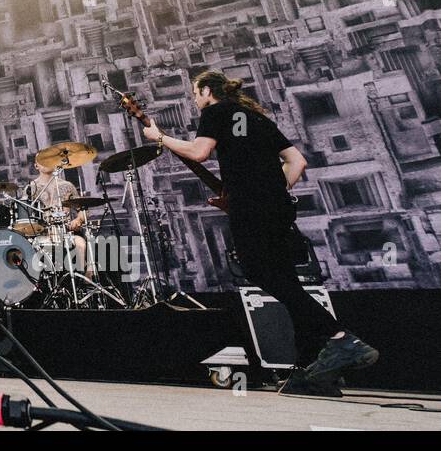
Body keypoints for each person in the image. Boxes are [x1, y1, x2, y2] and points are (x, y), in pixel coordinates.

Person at [140, 70, 378, 396]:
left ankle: (341, 340)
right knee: (286, 281)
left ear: (207, 91)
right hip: (278, 208)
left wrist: (160, 138)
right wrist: (270, 191)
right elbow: (297, 163)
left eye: (195, 94)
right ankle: (314, 371)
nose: (195, 101)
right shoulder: (256, 117)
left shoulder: (216, 111)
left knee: (262, 273)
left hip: (251, 209)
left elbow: (198, 152)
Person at [27, 159, 93, 279]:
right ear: (36, 165)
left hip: (65, 233)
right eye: (42, 159)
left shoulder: (67, 186)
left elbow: (83, 210)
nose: (46, 162)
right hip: (42, 234)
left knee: (81, 244)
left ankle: (84, 282)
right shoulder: (31, 188)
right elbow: (25, 216)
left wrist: (78, 220)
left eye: (49, 159)